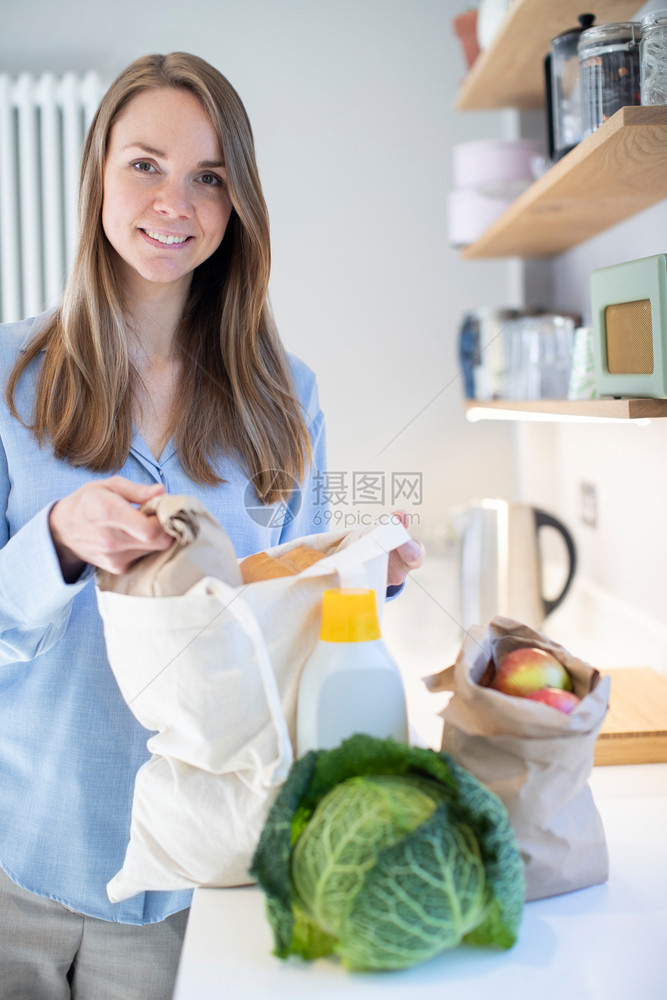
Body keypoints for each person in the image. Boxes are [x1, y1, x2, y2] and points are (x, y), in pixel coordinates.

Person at [0, 52, 424, 999]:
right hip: (20, 855)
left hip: (199, 885)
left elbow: (281, 632)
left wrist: (358, 577)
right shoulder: (8, 377)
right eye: (144, 164)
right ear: (97, 175)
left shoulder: (286, 395)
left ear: (237, 206)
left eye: (209, 178)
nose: (173, 203)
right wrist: (57, 542)